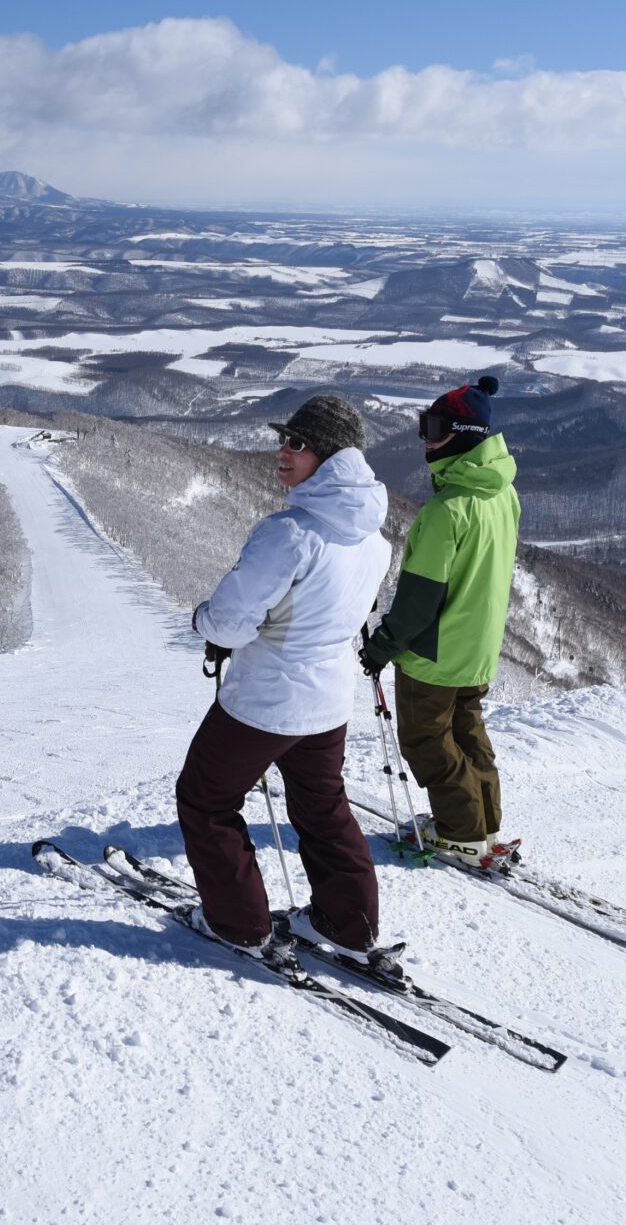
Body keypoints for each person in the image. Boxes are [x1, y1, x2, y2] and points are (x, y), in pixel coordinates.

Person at [185, 394, 397, 971]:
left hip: (265, 699)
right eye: (283, 438)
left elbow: (230, 622)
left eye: (297, 443)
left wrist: (202, 619)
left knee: (206, 802)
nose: (283, 451)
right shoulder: (375, 539)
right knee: (323, 808)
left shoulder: (289, 533)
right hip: (328, 702)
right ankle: (348, 925)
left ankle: (239, 925)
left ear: (331, 457)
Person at [360, 376, 520, 867]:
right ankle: (484, 824)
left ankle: (460, 833)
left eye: (432, 428)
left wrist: (382, 646)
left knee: (427, 740)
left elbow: (418, 599)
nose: (424, 440)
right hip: (478, 646)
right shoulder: (502, 494)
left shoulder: (446, 511)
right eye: (423, 426)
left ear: (464, 434)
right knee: (468, 733)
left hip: (433, 653)